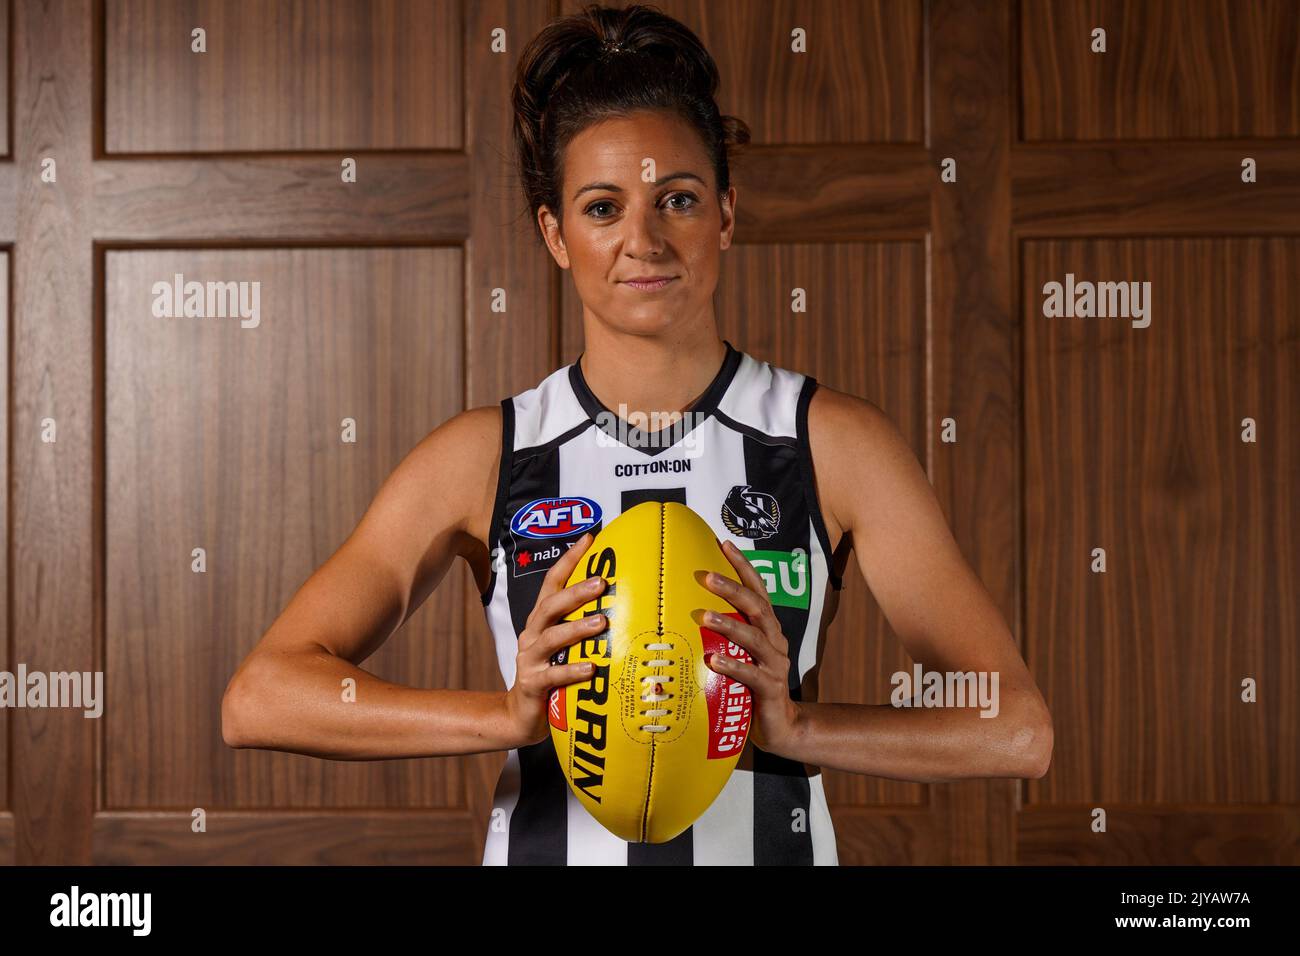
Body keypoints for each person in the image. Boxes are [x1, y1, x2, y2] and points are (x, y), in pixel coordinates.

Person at [222, 3, 1052, 866]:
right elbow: (261, 698)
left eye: (678, 200)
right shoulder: (490, 455)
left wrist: (797, 726)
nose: (643, 241)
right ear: (556, 234)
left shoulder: (830, 442)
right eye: (602, 207)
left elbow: (1017, 730)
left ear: (726, 215)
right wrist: (506, 716)